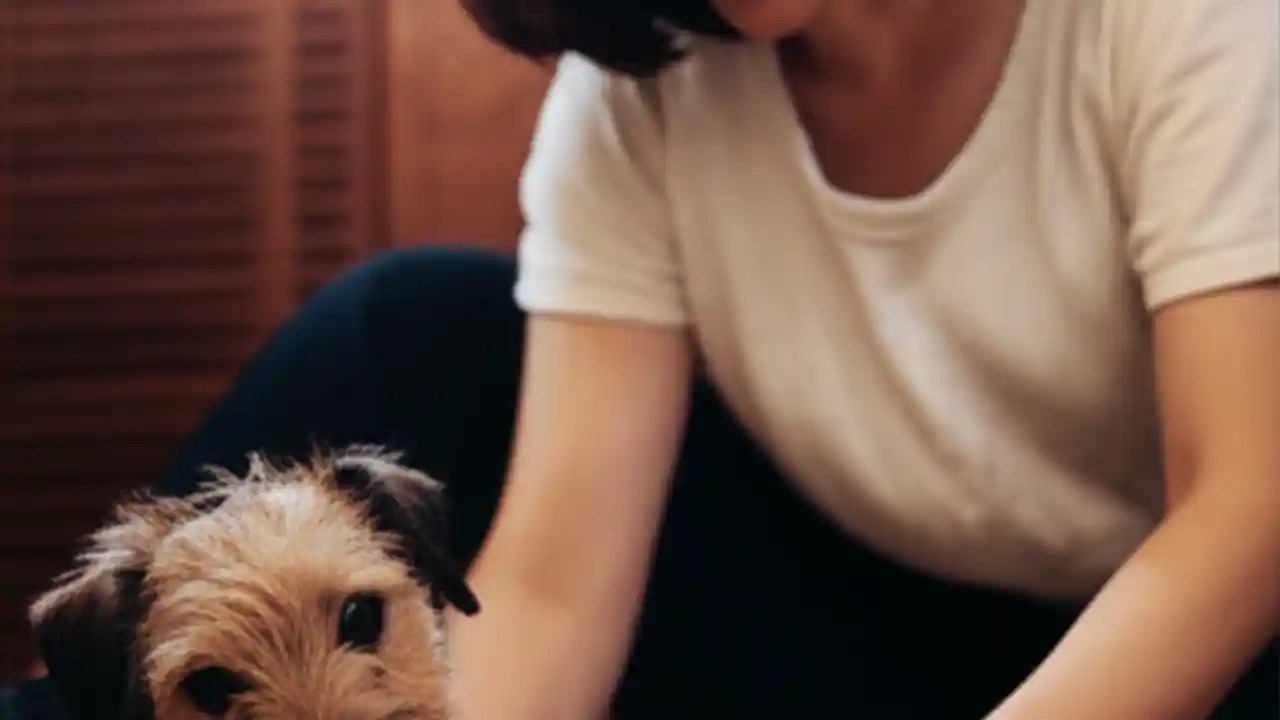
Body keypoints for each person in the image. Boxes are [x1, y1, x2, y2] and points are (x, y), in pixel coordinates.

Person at [15, 0, 1266, 719]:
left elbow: (1246, 513)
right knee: (404, 329)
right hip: (857, 621)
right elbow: (553, 590)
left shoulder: (1172, 24)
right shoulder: (637, 106)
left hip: (1208, 645)